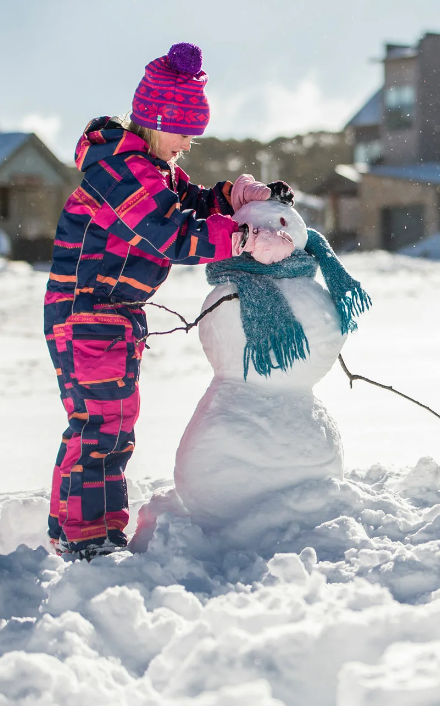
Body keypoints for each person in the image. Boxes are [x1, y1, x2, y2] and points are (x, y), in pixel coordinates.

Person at [44, 43, 296, 559]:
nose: (187, 146)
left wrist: (233, 199)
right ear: (158, 121)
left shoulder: (152, 169)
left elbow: (191, 202)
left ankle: (82, 530)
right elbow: (171, 231)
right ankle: (86, 539)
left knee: (110, 423)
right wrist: (243, 240)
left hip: (111, 316)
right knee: (101, 426)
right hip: (87, 314)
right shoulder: (120, 172)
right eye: (183, 134)